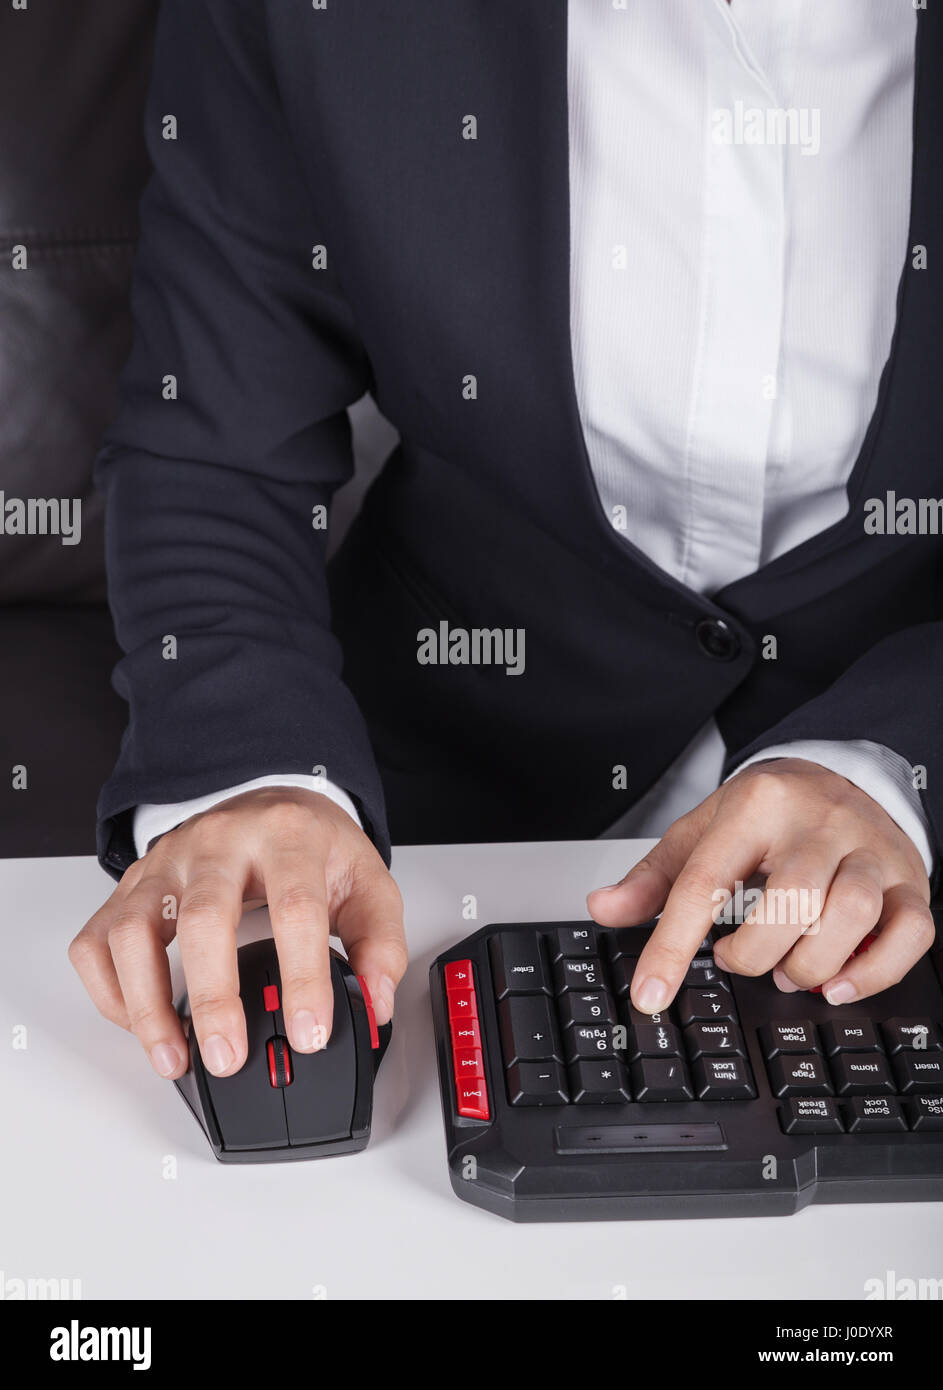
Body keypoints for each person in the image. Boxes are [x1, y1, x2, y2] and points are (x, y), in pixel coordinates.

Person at [69, 0, 941, 1083]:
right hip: (434, 828)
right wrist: (249, 769)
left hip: (910, 856)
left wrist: (891, 758)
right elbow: (216, 442)